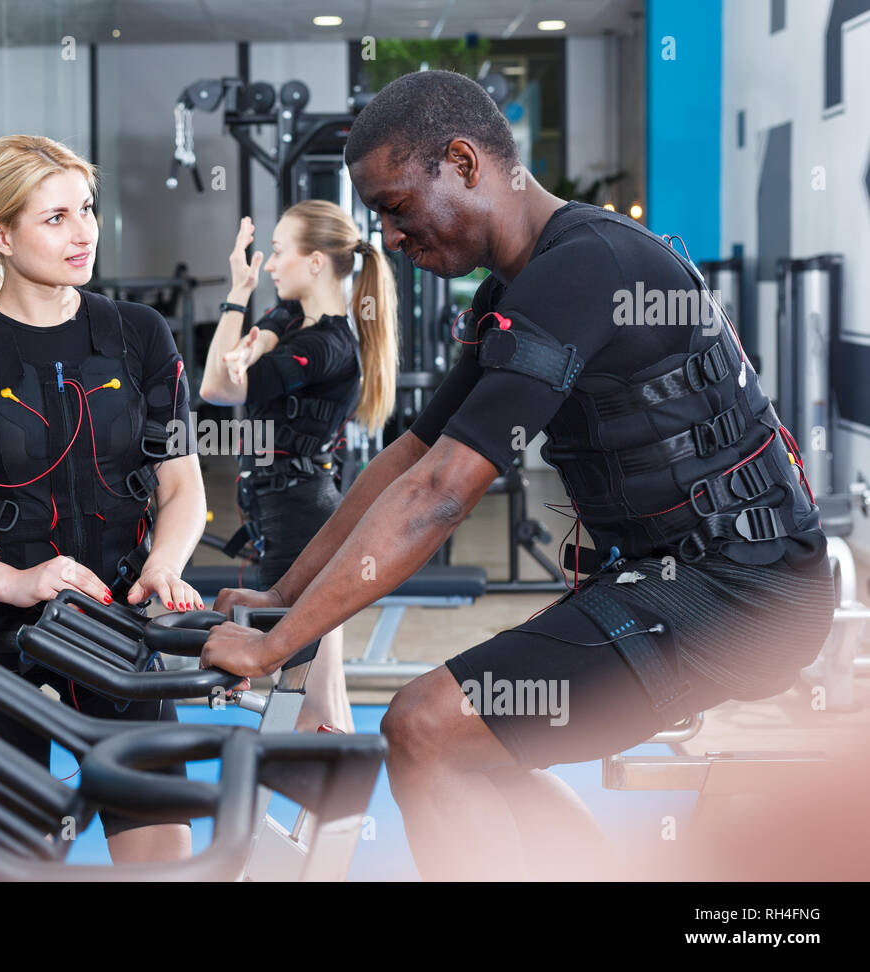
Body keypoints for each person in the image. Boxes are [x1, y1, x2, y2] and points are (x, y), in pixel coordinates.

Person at [200, 69, 835, 880]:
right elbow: (410, 459)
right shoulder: (514, 288)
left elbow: (440, 497)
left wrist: (280, 643)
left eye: (396, 207)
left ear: (464, 163)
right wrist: (281, 598)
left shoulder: (586, 267)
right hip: (673, 577)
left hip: (745, 594)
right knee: (476, 743)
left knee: (425, 725)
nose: (389, 239)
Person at [0, 135, 206, 863]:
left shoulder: (140, 336)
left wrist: (165, 567)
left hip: (118, 631)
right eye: (54, 218)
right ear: (1, 233)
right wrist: (17, 582)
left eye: (86, 209)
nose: (83, 231)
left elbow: (182, 485)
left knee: (166, 865)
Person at [199, 203, 397, 733]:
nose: (269, 264)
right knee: (316, 698)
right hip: (293, 517)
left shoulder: (325, 345)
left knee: (307, 704)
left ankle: (340, 811)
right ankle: (340, 814)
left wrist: (236, 297)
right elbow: (268, 328)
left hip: (300, 523)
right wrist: (255, 331)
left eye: (280, 251)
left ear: (314, 263)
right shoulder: (296, 320)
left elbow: (217, 388)